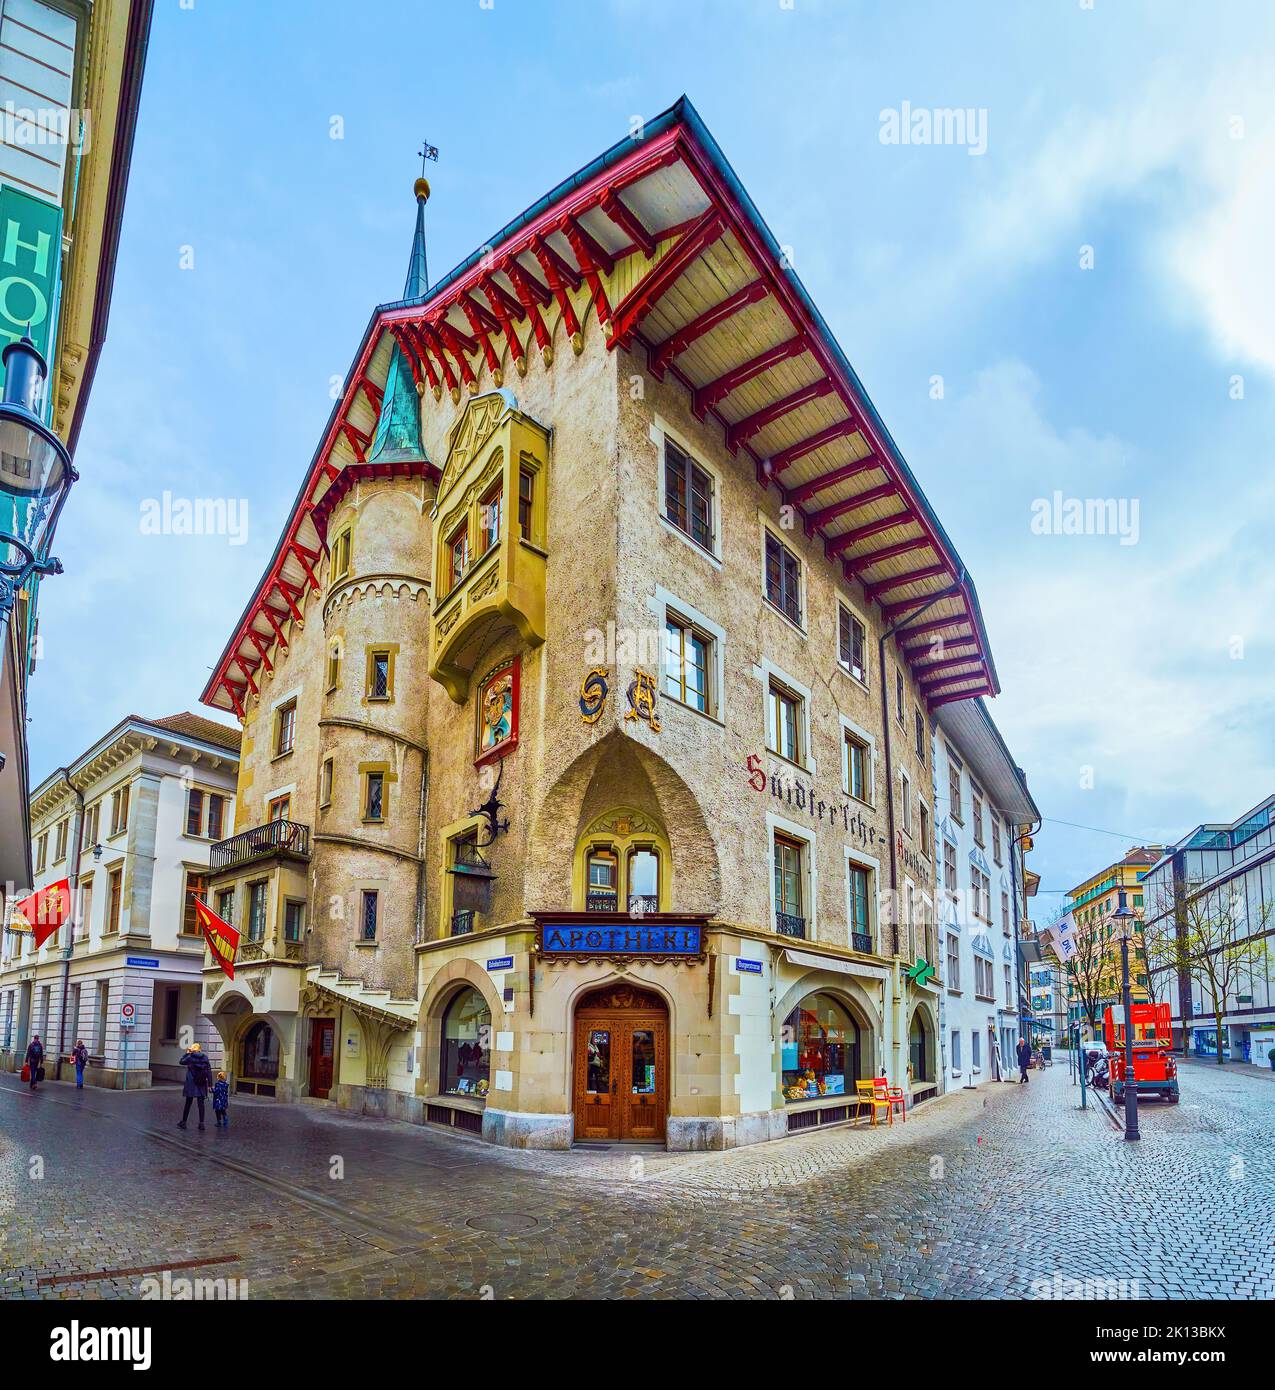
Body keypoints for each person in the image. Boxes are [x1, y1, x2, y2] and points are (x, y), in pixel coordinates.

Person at [178, 1042, 213, 1129]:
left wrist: (187, 1053)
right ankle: (201, 1123)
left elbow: (181, 1061)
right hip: (201, 1082)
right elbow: (209, 1071)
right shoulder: (205, 1057)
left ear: (193, 1050)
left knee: (188, 1103)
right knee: (201, 1104)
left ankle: (184, 1122)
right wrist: (210, 1084)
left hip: (191, 1082)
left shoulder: (190, 1057)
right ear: (200, 1049)